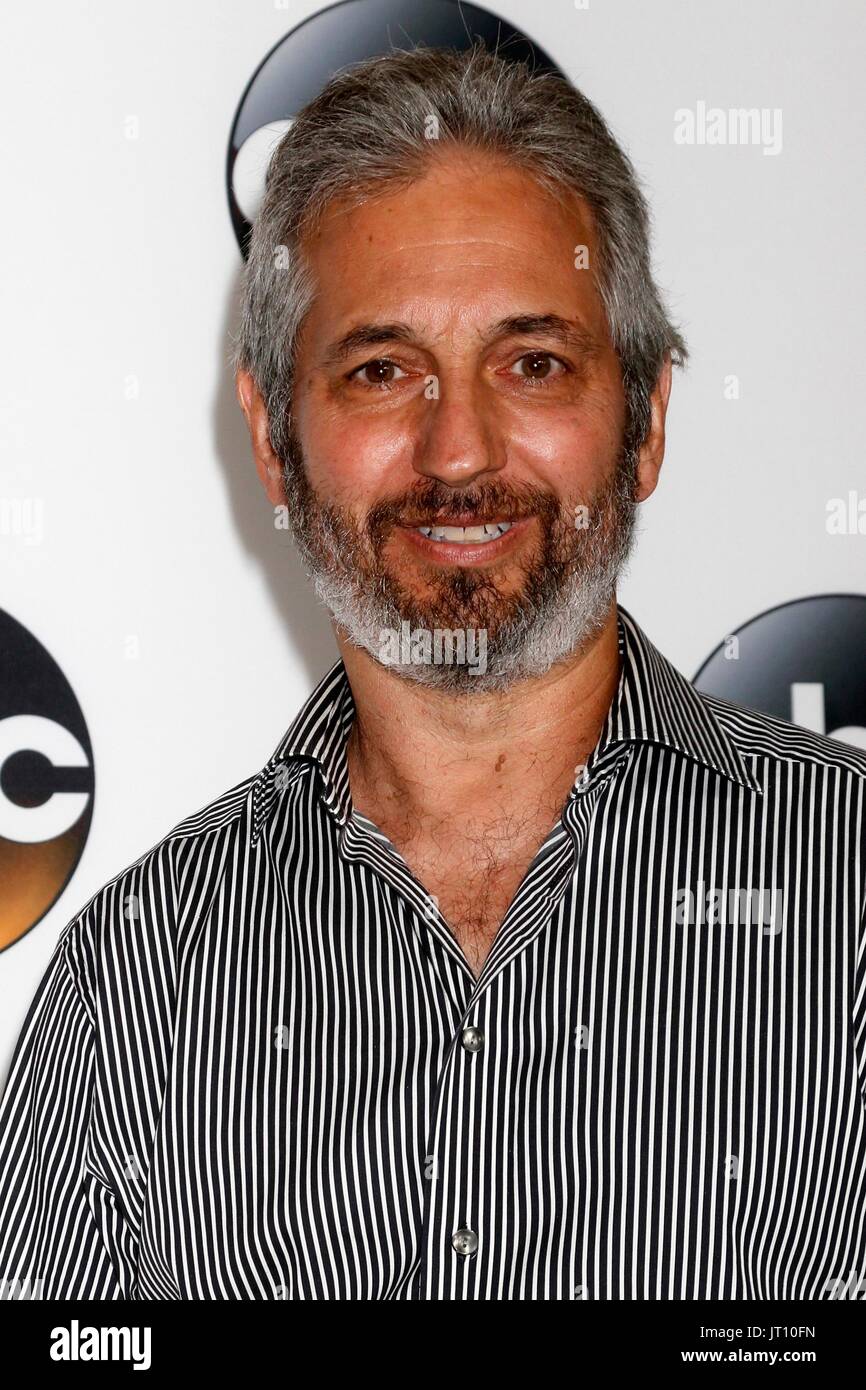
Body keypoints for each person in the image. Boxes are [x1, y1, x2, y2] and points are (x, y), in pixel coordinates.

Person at [0, 43, 864, 1301]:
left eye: (532, 363)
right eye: (380, 370)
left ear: (648, 418)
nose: (458, 452)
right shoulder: (138, 978)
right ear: (273, 441)